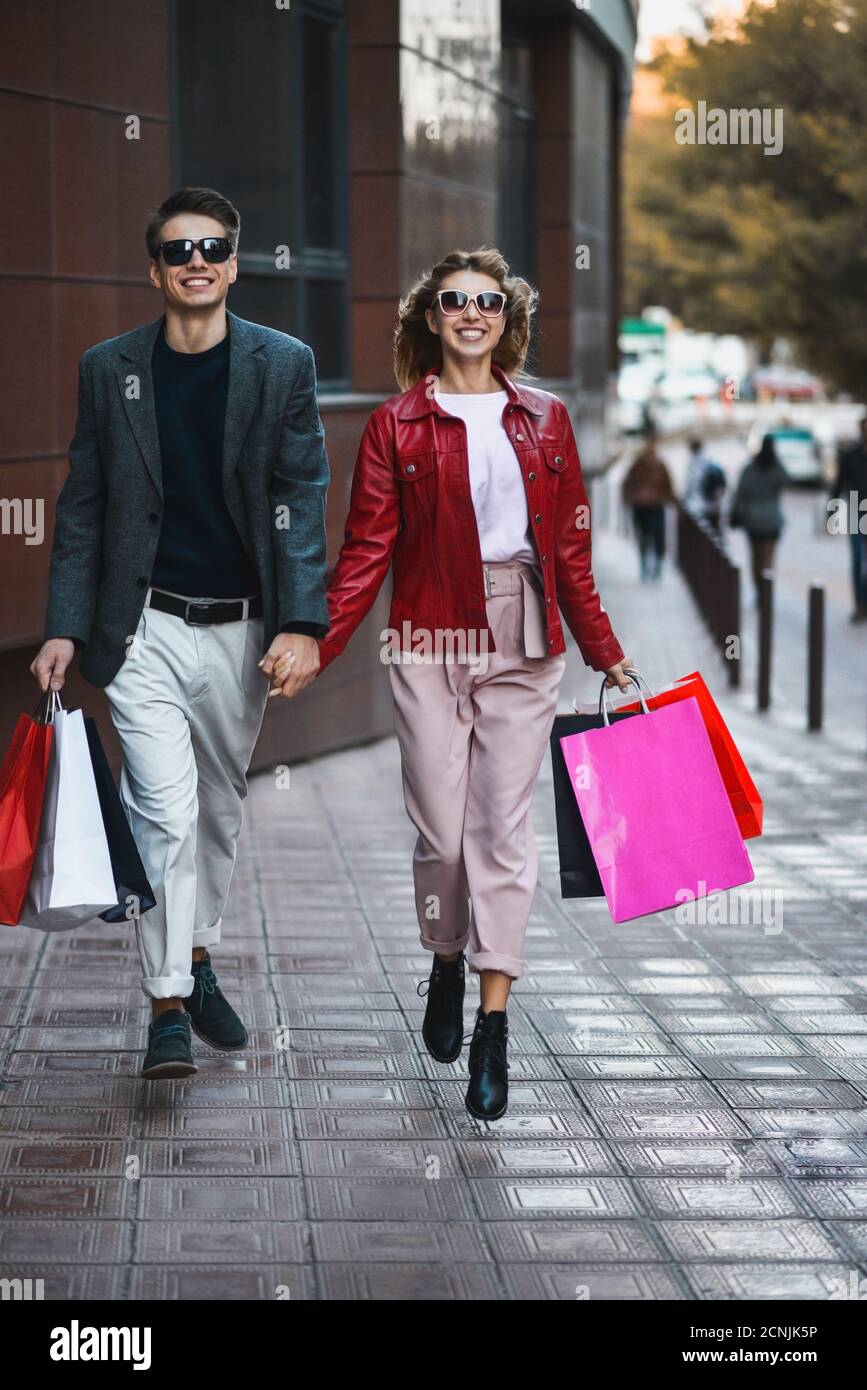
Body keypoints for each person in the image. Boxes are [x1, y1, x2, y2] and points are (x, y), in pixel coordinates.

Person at [280, 247, 633, 1120]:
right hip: (429, 632)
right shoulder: (395, 425)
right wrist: (316, 645)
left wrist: (605, 650)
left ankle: (493, 1024)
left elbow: (569, 552)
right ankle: (444, 956)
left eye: (487, 301)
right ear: (429, 318)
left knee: (500, 832)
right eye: (452, 302)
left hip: (524, 633)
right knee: (440, 832)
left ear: (506, 319)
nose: (470, 314)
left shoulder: (545, 419)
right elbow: (366, 552)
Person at [30, 187, 329, 1080]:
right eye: (177, 250)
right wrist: (64, 628)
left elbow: (299, 497)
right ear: (154, 269)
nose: (195, 261)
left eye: (212, 248)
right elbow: (83, 504)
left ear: (233, 265)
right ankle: (166, 1002)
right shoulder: (108, 367)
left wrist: (303, 623)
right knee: (162, 809)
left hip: (240, 632)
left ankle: (196, 958)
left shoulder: (282, 364)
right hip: (144, 626)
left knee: (219, 814)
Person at [730, 434, 790, 601]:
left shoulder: (750, 469)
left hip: (753, 519)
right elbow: (787, 480)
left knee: (756, 558)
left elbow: (740, 492)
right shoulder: (775, 467)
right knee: (768, 558)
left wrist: (736, 512)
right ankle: (766, 590)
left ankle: (760, 590)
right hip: (771, 519)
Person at [621, 431, 676, 579]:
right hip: (640, 506)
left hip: (656, 506)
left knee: (657, 536)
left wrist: (671, 501)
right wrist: (629, 499)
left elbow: (668, 485)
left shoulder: (660, 466)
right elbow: (627, 484)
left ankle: (656, 567)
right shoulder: (637, 466)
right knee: (644, 537)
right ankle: (645, 566)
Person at [830, 416, 867, 622]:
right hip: (855, 510)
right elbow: (839, 482)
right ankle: (859, 605)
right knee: (857, 559)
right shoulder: (850, 456)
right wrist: (832, 509)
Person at [683, 436, 727, 539]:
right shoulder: (711, 460)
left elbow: (690, 488)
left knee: (705, 539)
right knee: (716, 536)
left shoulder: (693, 464)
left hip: (700, 507)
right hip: (715, 505)